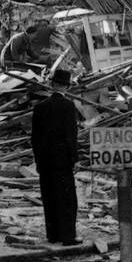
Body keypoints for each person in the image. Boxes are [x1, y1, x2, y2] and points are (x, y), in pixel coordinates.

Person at [31, 69, 81, 246]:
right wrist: (75, 158)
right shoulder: (68, 106)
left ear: (52, 85)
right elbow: (70, 135)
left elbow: (35, 138)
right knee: (66, 199)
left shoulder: (40, 107)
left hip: (45, 160)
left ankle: (52, 235)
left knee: (49, 197)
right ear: (66, 87)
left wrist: (38, 160)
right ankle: (67, 236)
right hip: (63, 160)